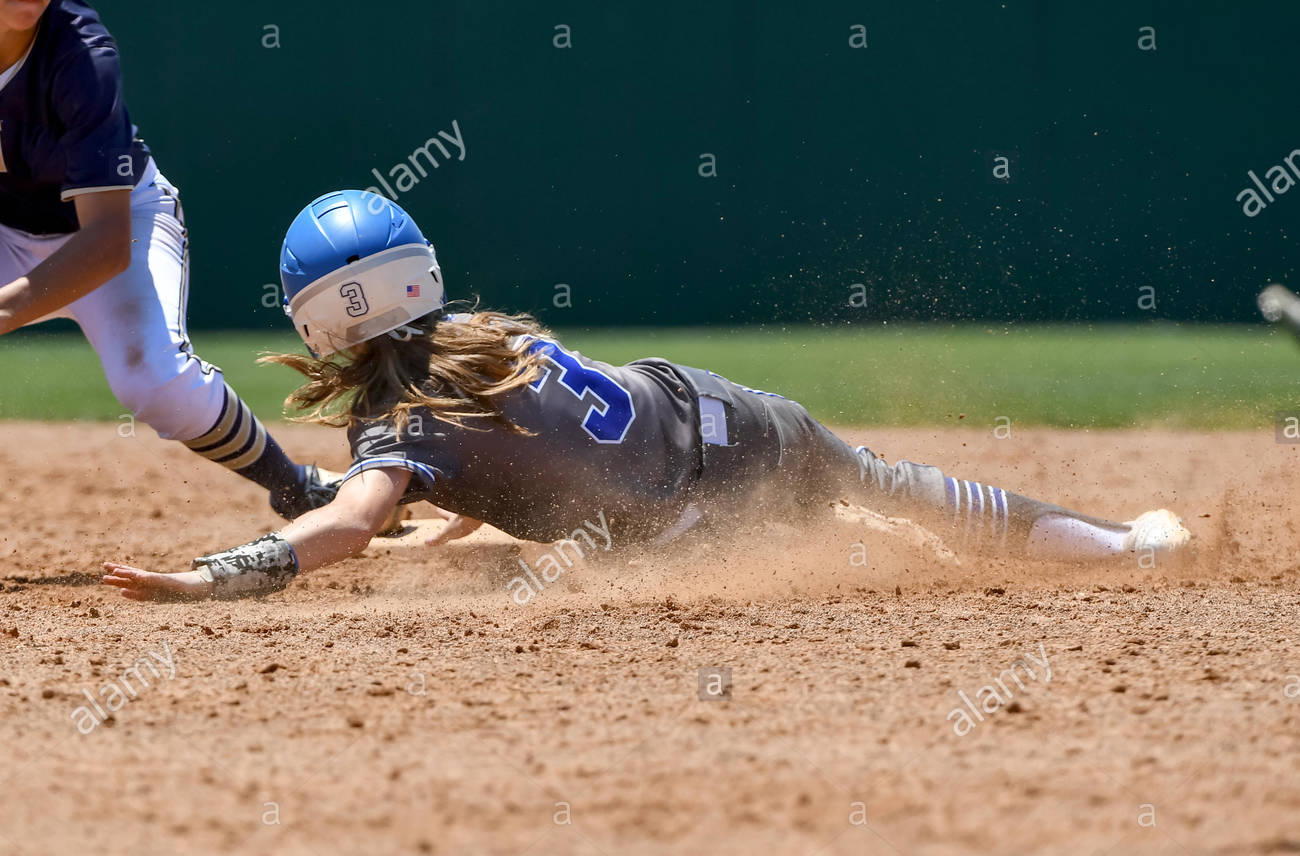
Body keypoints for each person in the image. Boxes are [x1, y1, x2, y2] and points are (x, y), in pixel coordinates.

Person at [101, 190, 1191, 602]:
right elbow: (522, 445)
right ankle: (1125, 545)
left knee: (518, 575)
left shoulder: (398, 426)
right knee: (896, 485)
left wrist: (219, 574)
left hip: (688, 521)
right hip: (738, 413)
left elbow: (343, 520)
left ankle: (865, 537)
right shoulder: (492, 338)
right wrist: (446, 525)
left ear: (314, 322)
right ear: (420, 272)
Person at [0, 0, 336, 518]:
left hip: (119, 224)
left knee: (153, 378)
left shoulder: (82, 57)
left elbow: (108, 242)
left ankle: (294, 484)